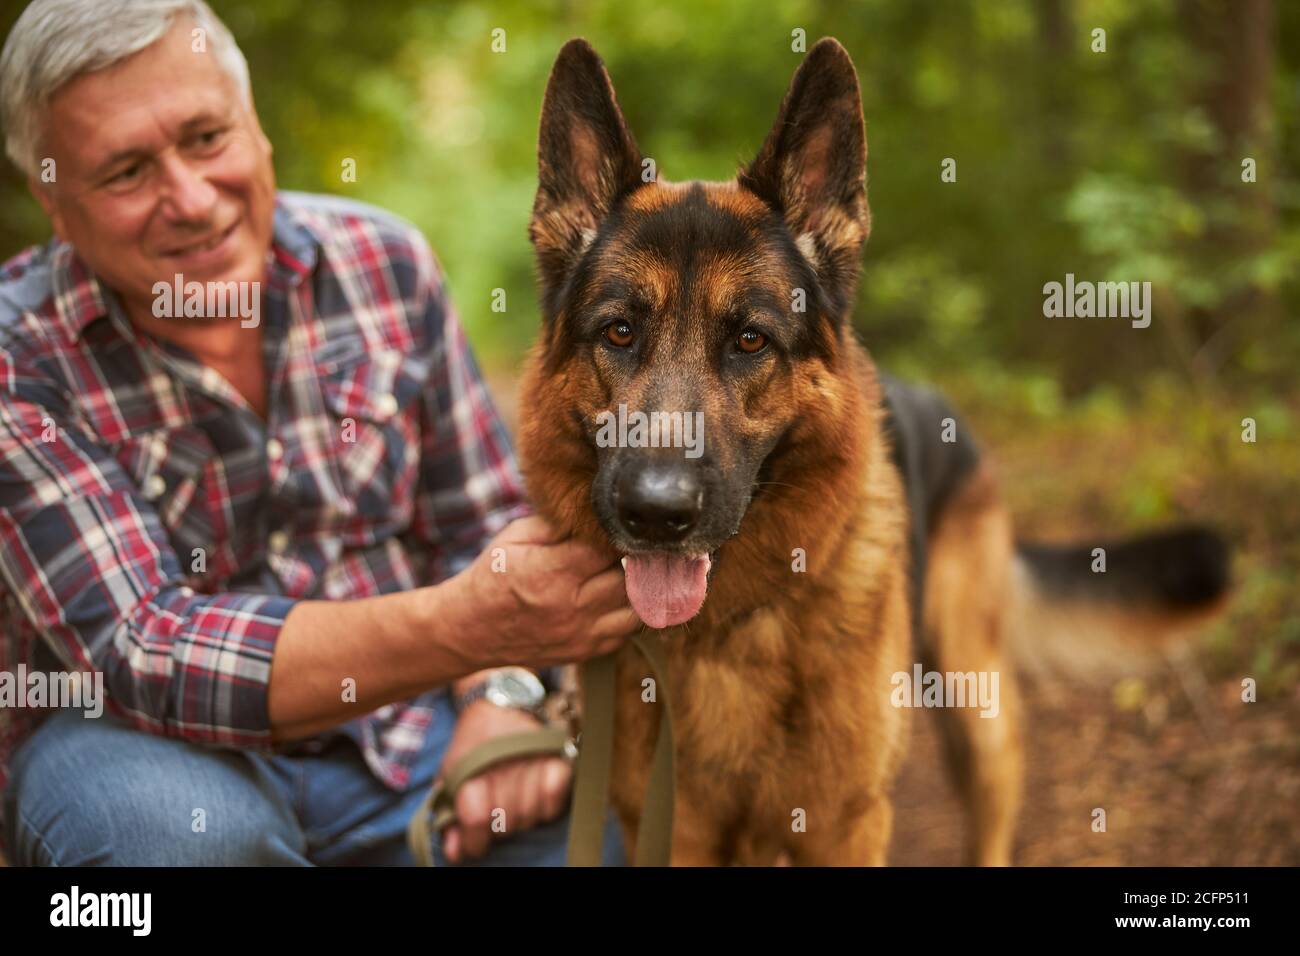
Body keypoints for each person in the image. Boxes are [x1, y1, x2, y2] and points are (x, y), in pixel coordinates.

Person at [0, 0, 637, 866]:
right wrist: (470, 630)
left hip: (409, 742)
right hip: (143, 750)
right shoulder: (16, 356)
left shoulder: (385, 263)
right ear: (53, 200)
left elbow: (480, 522)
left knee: (600, 832)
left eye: (206, 138)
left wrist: (507, 693)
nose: (189, 199)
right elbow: (143, 647)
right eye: (125, 173)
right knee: (171, 845)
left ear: (256, 127)